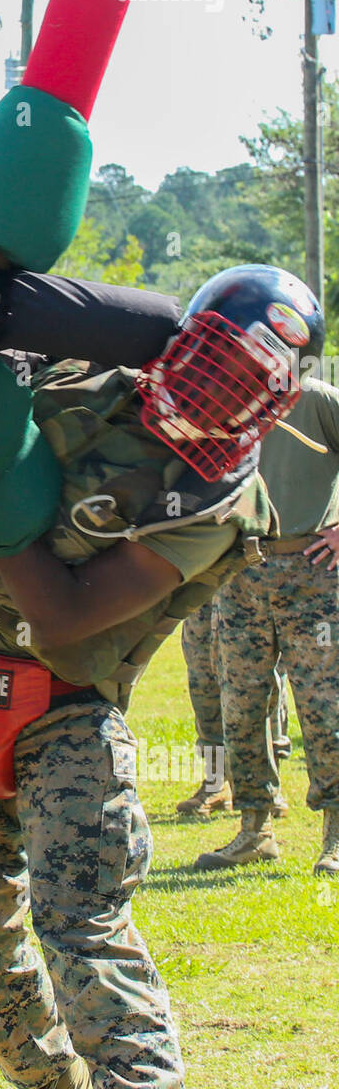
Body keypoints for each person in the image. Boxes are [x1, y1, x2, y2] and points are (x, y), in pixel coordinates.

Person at [0, 265, 315, 1089]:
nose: (224, 392)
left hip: (69, 707)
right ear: (179, 342)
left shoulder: (216, 498)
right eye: (216, 362)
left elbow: (66, 617)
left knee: (81, 920)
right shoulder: (82, 386)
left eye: (254, 382)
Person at [195, 315, 339, 875]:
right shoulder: (222, 404)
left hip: (313, 575)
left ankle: (334, 832)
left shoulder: (319, 399)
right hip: (241, 574)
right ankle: (255, 826)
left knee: (323, 705)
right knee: (242, 706)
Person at [176, 595, 290, 817]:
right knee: (202, 678)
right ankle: (215, 783)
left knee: (265, 678)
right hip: (206, 583)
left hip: (256, 582)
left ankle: (270, 786)